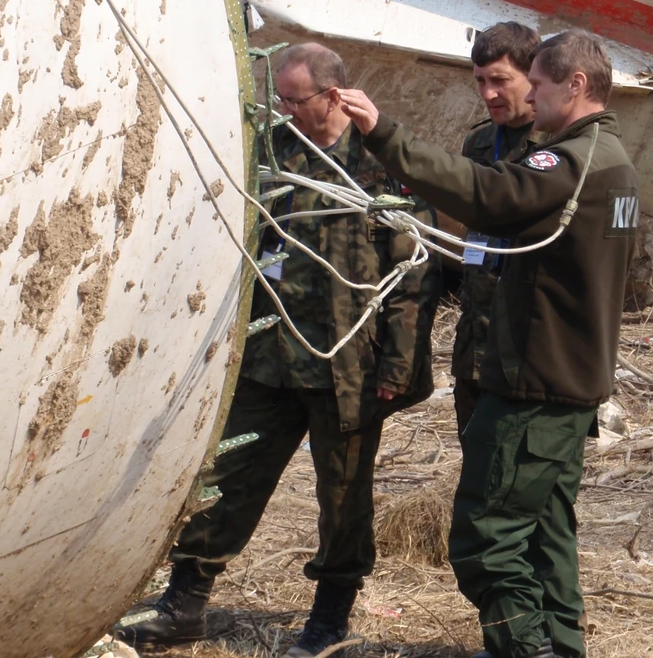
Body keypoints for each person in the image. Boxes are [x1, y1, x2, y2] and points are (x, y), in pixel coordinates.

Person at [116, 44, 442, 656]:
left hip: (346, 368)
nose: (285, 110)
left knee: (343, 499)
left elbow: (413, 277)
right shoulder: (274, 155)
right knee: (225, 479)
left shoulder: (380, 163)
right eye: (281, 99)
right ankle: (184, 604)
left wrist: (398, 365)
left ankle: (328, 618)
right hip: (271, 360)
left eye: (296, 100)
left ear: (333, 96)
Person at [339, 30, 638, 658]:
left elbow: (483, 194)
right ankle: (559, 644)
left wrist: (383, 131)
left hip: (534, 384)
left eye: (542, 84)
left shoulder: (568, 162)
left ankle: (524, 649)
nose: (532, 94)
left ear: (574, 85)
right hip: (570, 384)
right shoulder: (614, 159)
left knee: (485, 537)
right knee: (546, 529)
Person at [452, 21, 541, 440]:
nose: (488, 94)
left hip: (527, 347)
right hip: (476, 337)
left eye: (500, 81)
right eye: (480, 81)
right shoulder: (480, 144)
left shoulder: (557, 146)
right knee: (473, 453)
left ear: (534, 76)